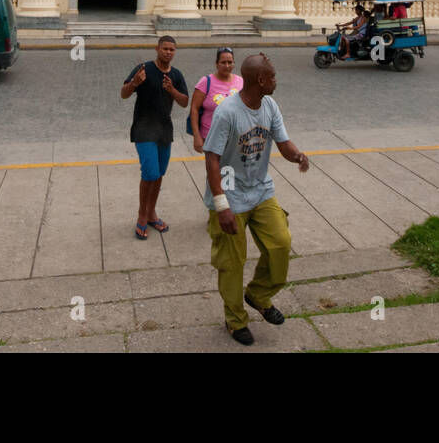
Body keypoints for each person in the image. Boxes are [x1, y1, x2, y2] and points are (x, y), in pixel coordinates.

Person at [203, 53, 309, 346]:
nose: (276, 80)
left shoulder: (270, 105)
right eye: (272, 76)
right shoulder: (228, 113)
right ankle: (235, 320)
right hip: (229, 195)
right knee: (232, 263)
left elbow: (283, 142)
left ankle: (258, 295)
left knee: (281, 243)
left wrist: (297, 155)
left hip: (261, 190)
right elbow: (211, 158)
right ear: (260, 80)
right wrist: (221, 205)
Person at [121, 36, 189, 240]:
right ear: (157, 49)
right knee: (149, 173)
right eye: (165, 48)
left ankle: (152, 213)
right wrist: (134, 83)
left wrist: (172, 90)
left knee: (159, 174)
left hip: (164, 130)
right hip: (143, 129)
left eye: (172, 49)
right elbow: (124, 93)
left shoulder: (176, 75)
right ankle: (142, 215)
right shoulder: (143, 69)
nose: (168, 52)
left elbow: (185, 102)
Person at [189, 48, 244, 153]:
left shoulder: (241, 81)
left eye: (230, 62)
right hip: (211, 139)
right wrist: (196, 136)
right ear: (216, 64)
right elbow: (194, 109)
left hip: (236, 139)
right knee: (214, 164)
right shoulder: (205, 82)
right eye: (223, 62)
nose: (227, 66)